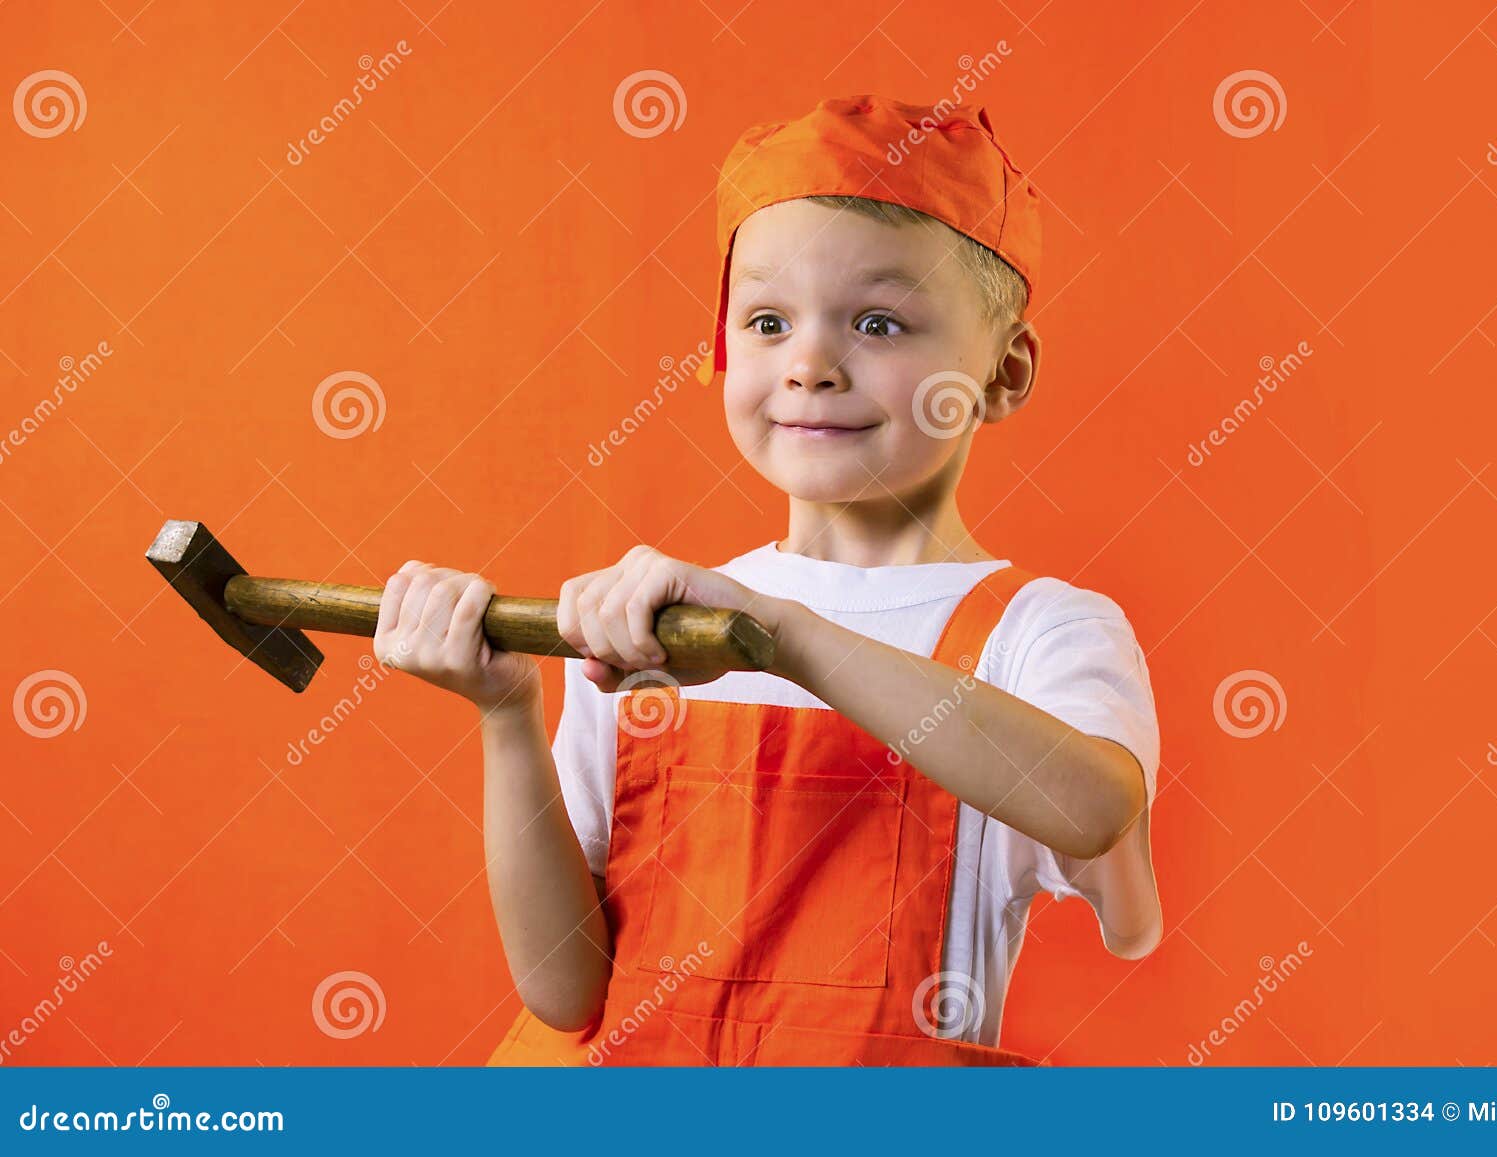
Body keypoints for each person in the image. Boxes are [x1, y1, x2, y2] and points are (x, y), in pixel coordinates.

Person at [375, 94, 1161, 1066]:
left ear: (1003, 372)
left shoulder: (1035, 631)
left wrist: (783, 636)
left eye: (877, 321)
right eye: (766, 320)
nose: (810, 365)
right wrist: (502, 715)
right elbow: (567, 991)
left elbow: (1091, 807)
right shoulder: (653, 621)